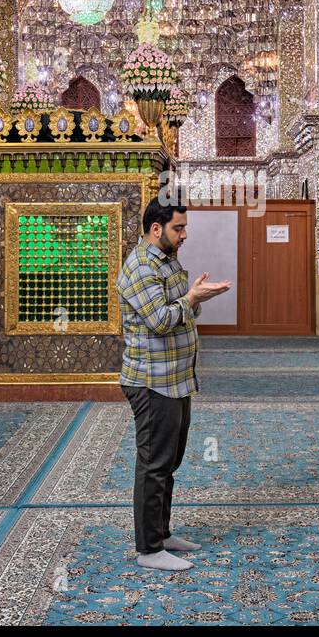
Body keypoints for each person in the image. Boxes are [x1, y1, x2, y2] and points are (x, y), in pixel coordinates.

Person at [117, 198, 230, 571]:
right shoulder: (140, 267)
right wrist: (190, 299)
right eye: (178, 228)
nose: (184, 235)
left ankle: (162, 534)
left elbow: (180, 310)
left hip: (176, 379)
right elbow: (161, 320)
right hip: (153, 382)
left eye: (184, 227)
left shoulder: (167, 261)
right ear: (156, 229)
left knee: (169, 461)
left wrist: (194, 298)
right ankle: (148, 549)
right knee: (154, 463)